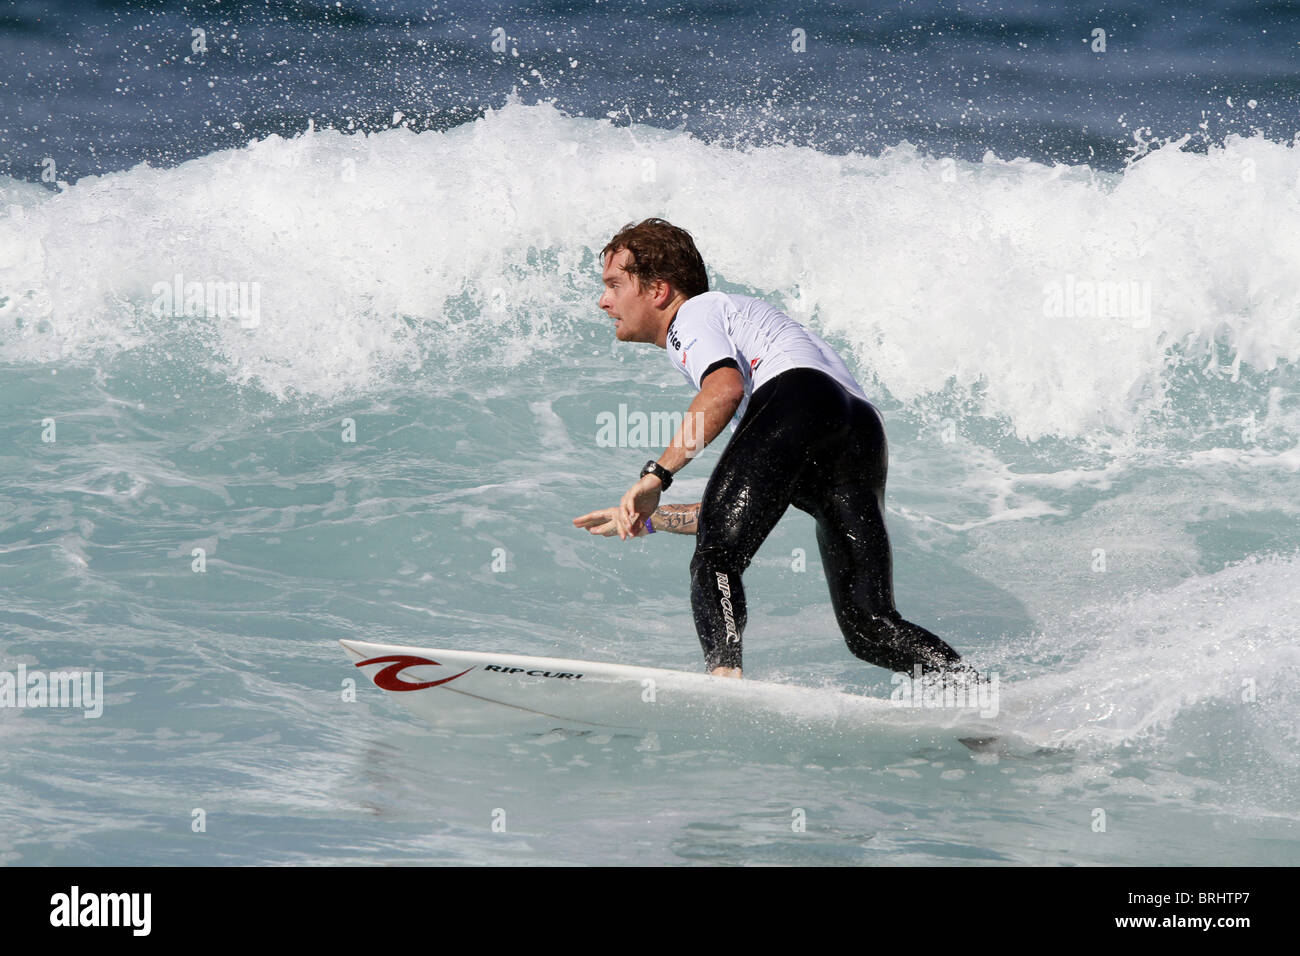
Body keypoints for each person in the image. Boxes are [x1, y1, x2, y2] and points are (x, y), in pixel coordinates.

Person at [573, 218, 970, 682]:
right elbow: (735, 507)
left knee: (716, 557)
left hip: (800, 399)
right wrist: (652, 517)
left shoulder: (693, 316)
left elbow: (723, 389)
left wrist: (656, 475)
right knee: (870, 627)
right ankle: (976, 699)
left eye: (614, 285)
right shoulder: (742, 324)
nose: (604, 302)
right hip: (860, 432)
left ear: (659, 290)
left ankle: (724, 678)